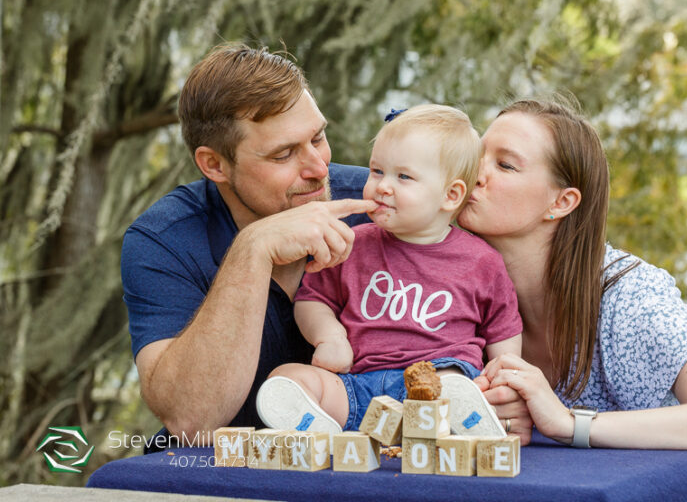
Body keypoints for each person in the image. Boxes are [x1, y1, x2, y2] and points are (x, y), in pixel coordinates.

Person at [458, 97, 687, 457]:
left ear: (562, 202)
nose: (474, 174)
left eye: (506, 165)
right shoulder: (441, 283)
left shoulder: (629, 297)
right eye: (476, 155)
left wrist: (570, 423)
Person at [120, 43, 378, 447]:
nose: (318, 167)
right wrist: (252, 249)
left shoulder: (378, 202)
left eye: (319, 137)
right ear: (215, 165)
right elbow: (192, 421)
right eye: (284, 154)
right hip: (219, 470)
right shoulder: (163, 239)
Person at [255, 105, 523, 441]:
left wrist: (505, 384)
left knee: (456, 381)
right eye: (377, 171)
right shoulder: (353, 242)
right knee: (288, 377)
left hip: (436, 381)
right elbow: (313, 299)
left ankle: (458, 420)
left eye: (404, 177)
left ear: (450, 195)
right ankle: (321, 430)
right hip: (361, 386)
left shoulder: (481, 261)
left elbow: (503, 332)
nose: (383, 186)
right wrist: (330, 336)